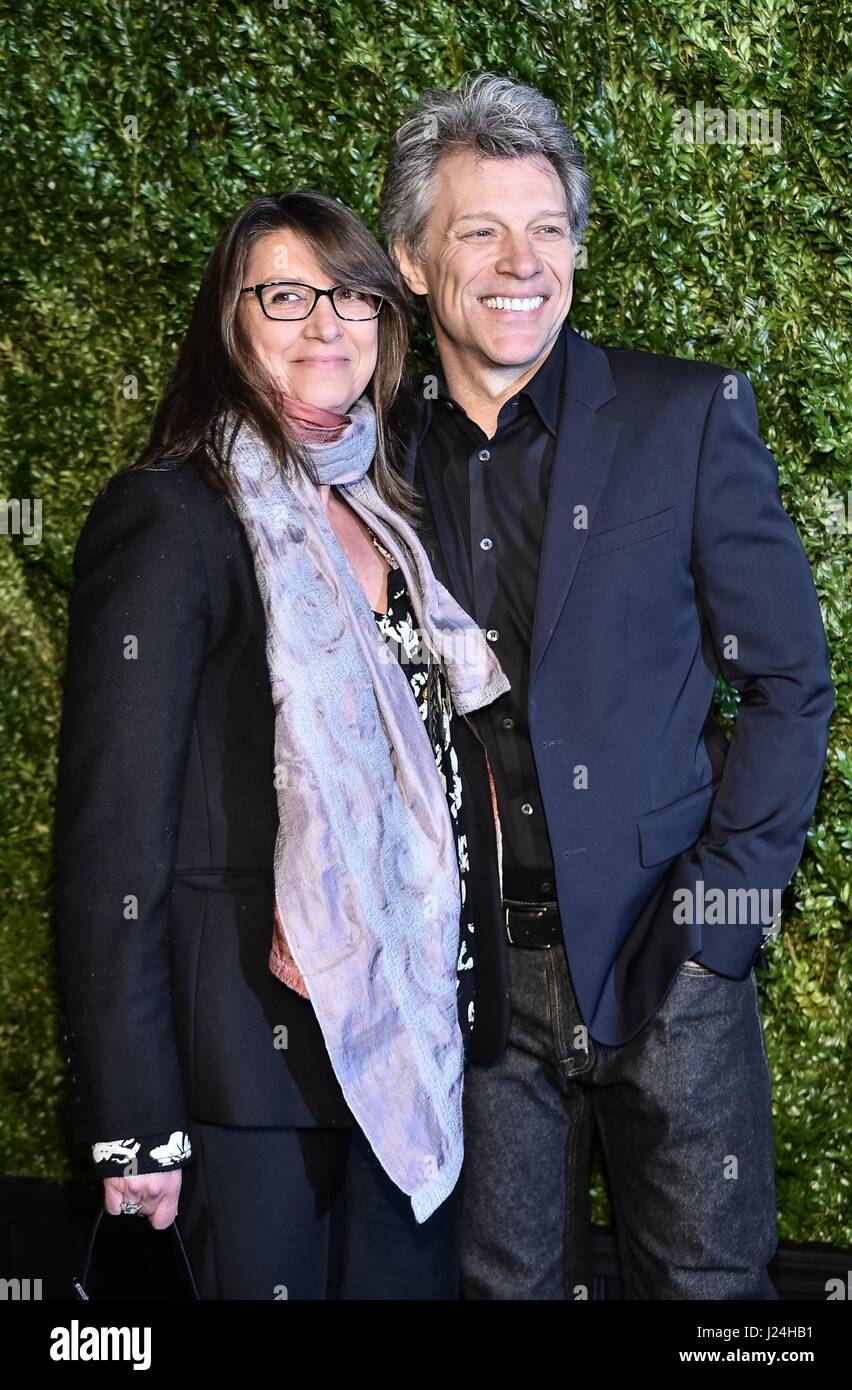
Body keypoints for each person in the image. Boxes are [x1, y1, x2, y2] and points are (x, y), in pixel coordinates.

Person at [380, 72, 835, 1299]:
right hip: (471, 988)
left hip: (668, 962)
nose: (522, 262)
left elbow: (792, 682)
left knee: (715, 1305)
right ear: (414, 263)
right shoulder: (376, 456)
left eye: (549, 229)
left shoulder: (686, 416)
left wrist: (718, 930)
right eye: (481, 230)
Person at [53, 189, 509, 1300]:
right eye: (287, 295)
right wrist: (134, 1126)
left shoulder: (392, 508)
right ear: (230, 319)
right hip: (244, 1085)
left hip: (401, 1057)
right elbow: (110, 841)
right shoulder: (172, 514)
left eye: (351, 296)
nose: (326, 325)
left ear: (386, 326)